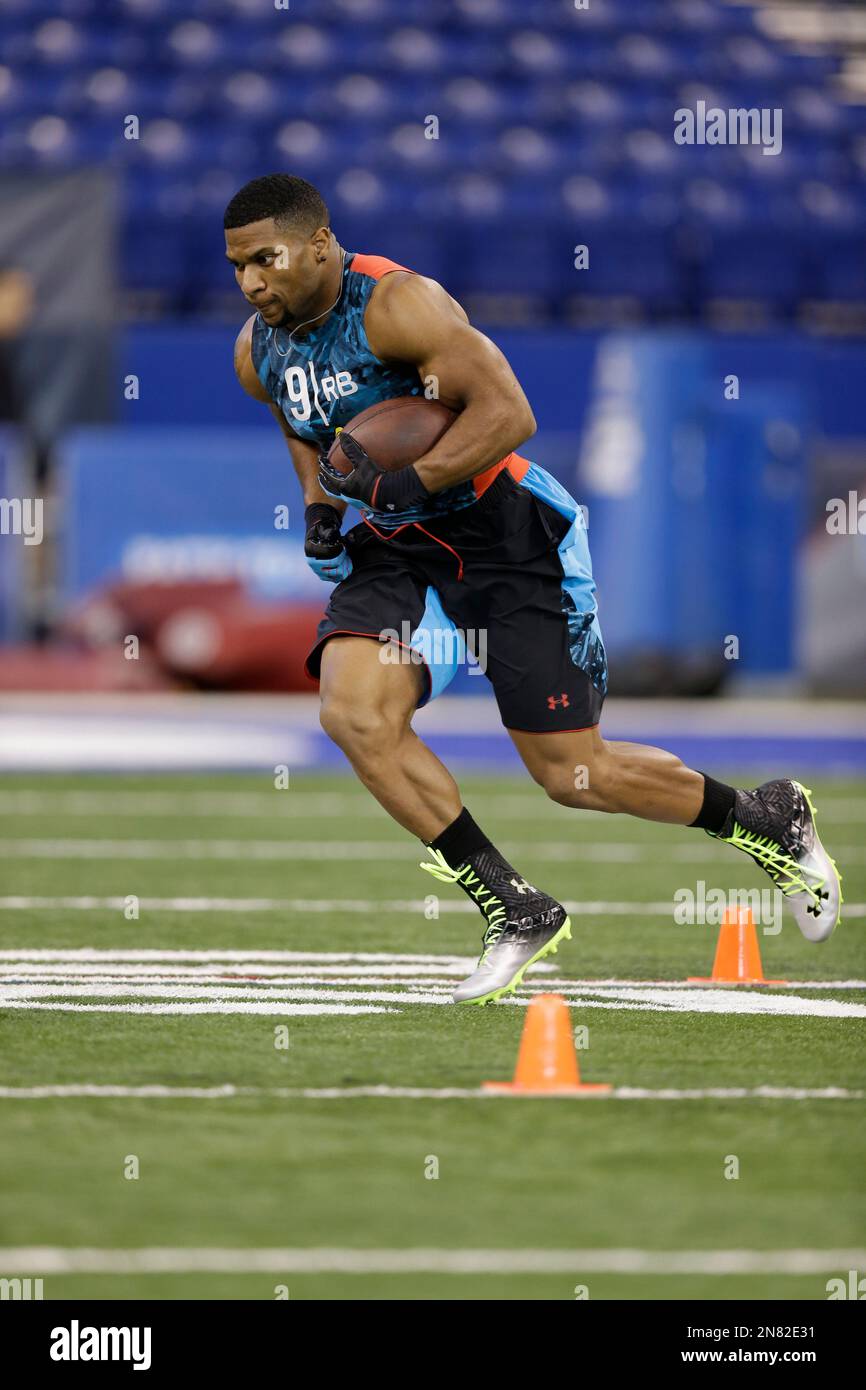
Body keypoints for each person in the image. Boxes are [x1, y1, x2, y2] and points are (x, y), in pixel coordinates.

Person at [227, 174, 841, 1005]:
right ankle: (513, 905)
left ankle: (766, 818)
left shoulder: (397, 306)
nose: (253, 281)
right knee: (353, 713)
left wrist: (420, 478)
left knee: (574, 774)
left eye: (266, 258)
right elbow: (301, 426)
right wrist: (317, 505)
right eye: (238, 267)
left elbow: (511, 413)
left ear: (321, 243)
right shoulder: (256, 351)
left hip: (503, 535)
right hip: (396, 555)